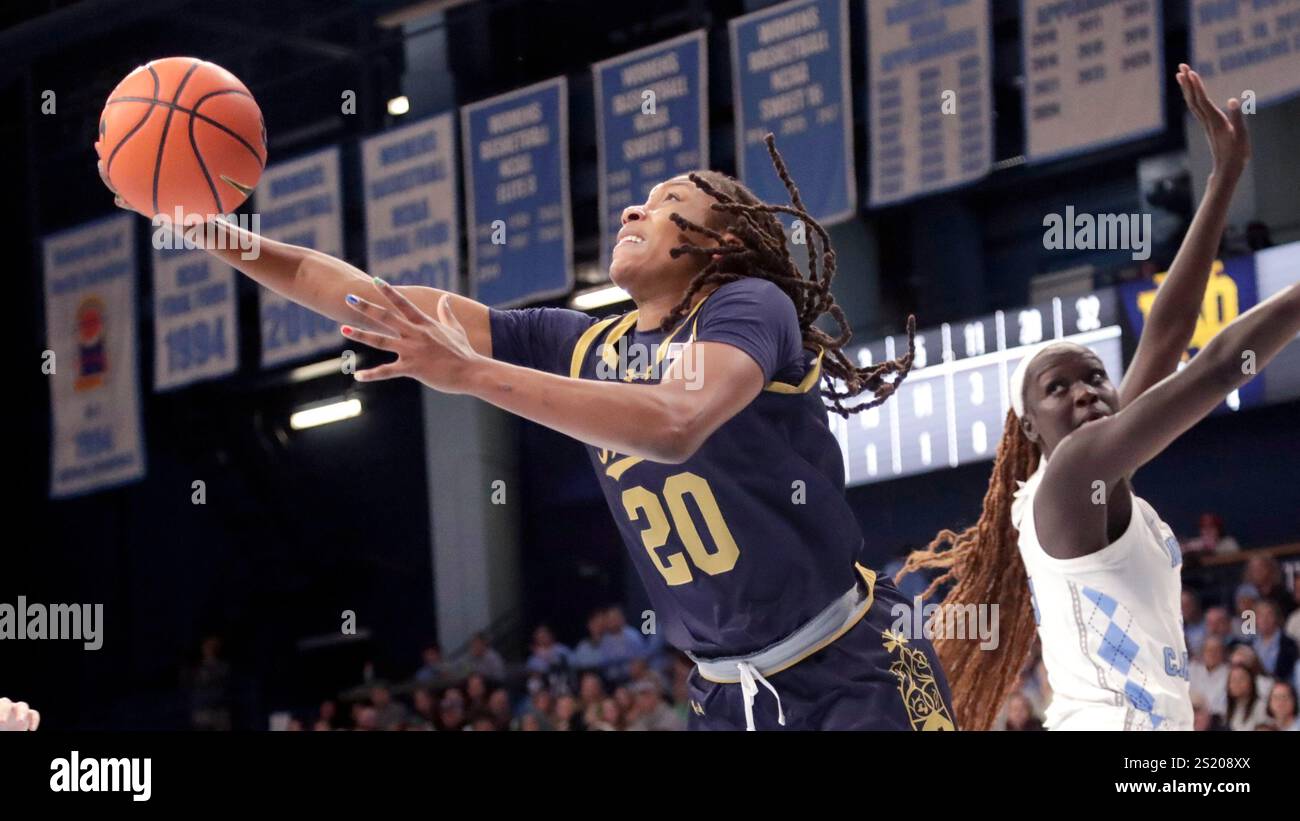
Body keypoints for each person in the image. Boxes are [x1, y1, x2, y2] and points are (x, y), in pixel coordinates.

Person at [106, 116, 965, 730]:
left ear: (717, 245)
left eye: (667, 203)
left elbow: (675, 422)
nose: (634, 209)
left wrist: (471, 373)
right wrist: (216, 232)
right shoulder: (578, 342)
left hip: (862, 661)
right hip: (724, 694)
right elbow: (366, 296)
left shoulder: (749, 306)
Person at [897, 66, 1299, 731]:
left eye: (1095, 377)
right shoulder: (1071, 477)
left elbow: (1168, 332)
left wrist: (1223, 177)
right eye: (1059, 387)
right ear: (1029, 423)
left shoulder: (1092, 476)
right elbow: (1222, 365)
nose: (1086, 391)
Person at [1226, 664, 1270, 731]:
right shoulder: (1230, 708)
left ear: (1251, 682)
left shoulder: (1261, 706)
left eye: (1241, 679)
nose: (1237, 683)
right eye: (1233, 679)